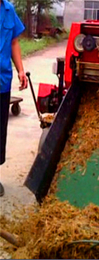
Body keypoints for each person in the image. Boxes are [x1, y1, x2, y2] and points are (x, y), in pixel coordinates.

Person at [0, 0, 27, 196]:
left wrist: (21, 70)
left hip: (2, 81)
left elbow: (14, 42)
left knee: (0, 131)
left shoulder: (9, 10)